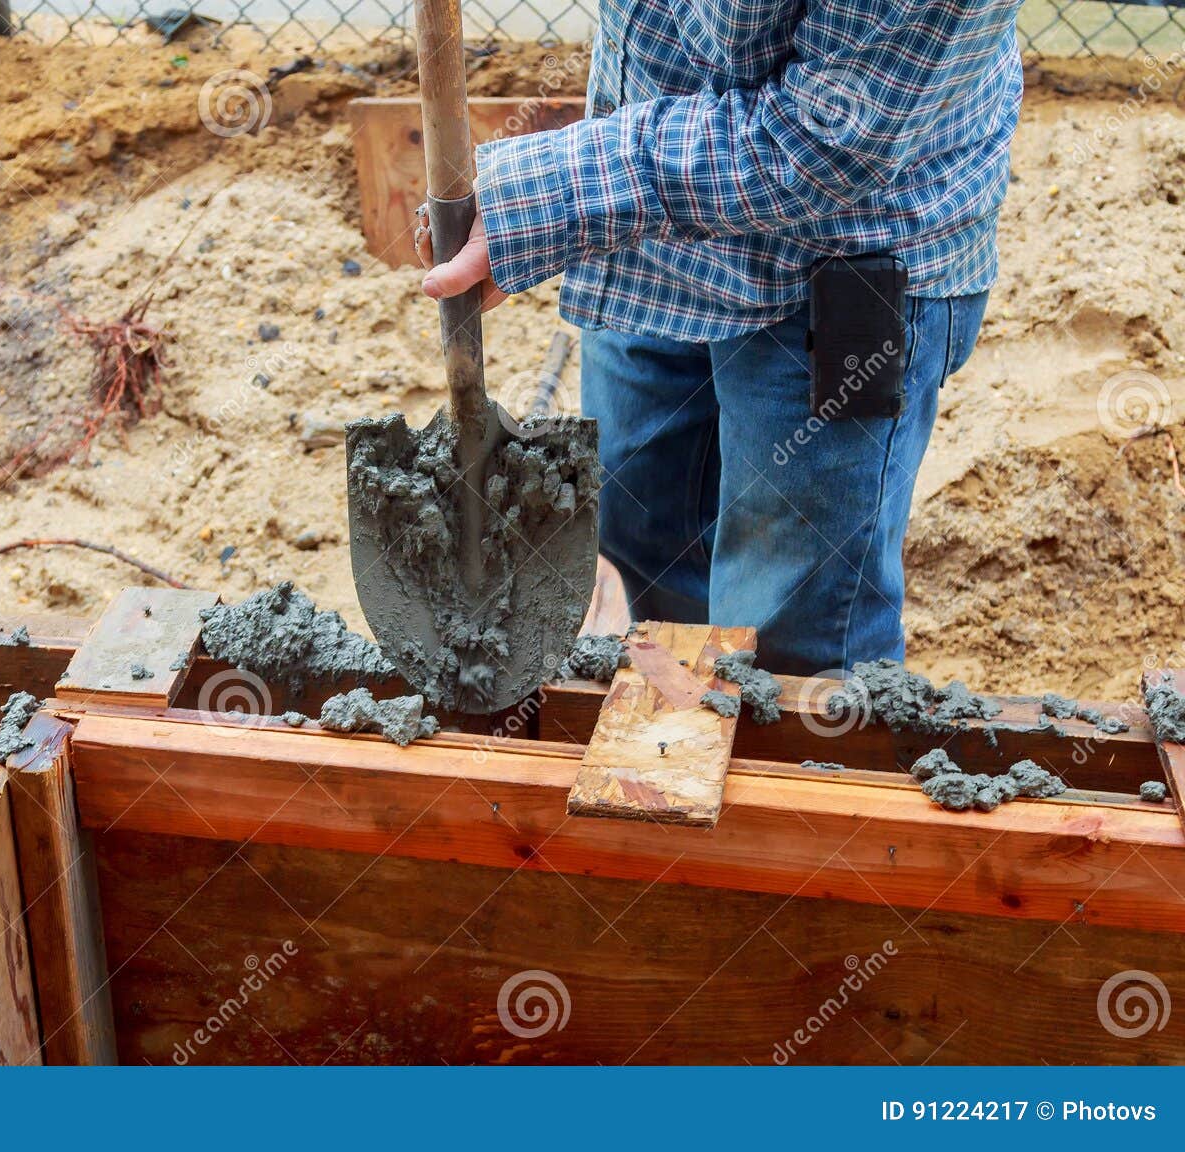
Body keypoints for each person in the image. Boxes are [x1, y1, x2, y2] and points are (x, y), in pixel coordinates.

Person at [416, 0, 1023, 675]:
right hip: (651, 222)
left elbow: (821, 147)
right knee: (643, 537)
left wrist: (553, 199)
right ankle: (671, 749)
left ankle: (784, 772)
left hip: (840, 261)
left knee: (790, 637)